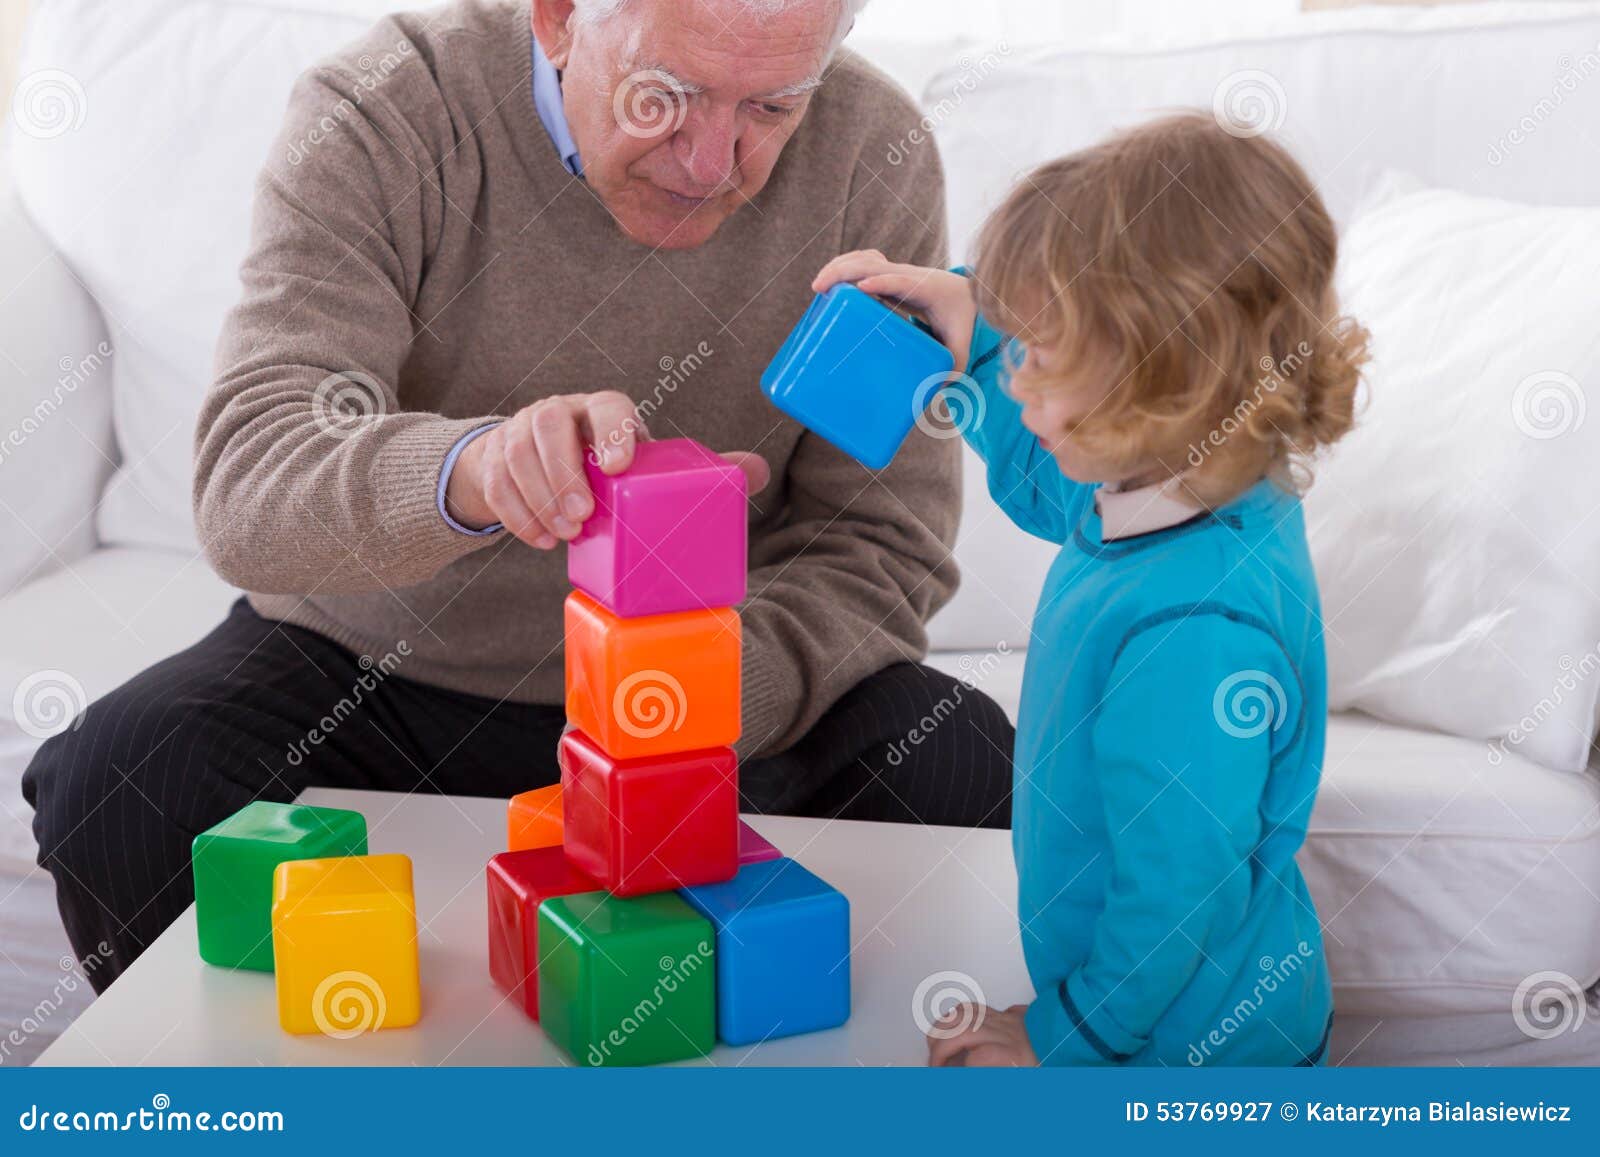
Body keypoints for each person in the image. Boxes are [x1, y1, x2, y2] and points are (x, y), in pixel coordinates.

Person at [23, 0, 1013, 993]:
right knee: (126, 777)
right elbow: (253, 483)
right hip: (375, 673)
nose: (713, 163)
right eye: (665, 96)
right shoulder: (388, 111)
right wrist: (475, 472)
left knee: (961, 762)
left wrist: (686, 695)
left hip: (709, 697)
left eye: (772, 106)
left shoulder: (871, 145)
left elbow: (879, 543)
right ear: (557, 20)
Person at [813, 111, 1369, 1066]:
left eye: (1039, 352)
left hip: (1188, 1055)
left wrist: (1055, 1038)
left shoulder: (1195, 630)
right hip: (1160, 1016)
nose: (1017, 375)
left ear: (1168, 382)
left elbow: (1176, 899)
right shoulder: (1199, 481)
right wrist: (974, 339)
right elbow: (1054, 486)